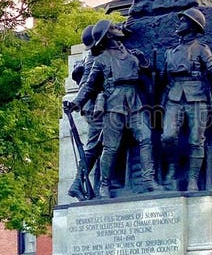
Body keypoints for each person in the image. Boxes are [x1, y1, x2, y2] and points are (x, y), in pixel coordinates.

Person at [64, 19, 158, 197]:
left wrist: (145, 63)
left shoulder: (131, 54)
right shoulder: (99, 58)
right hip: (112, 103)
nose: (118, 29)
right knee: (109, 147)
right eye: (113, 28)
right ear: (108, 35)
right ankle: (104, 186)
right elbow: (89, 85)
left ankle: (149, 180)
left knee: (145, 138)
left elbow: (147, 72)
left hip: (134, 102)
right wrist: (76, 102)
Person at [161, 8, 212, 191]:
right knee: (168, 136)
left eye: (183, 21)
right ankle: (172, 169)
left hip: (196, 96)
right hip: (174, 96)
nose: (178, 24)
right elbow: (163, 76)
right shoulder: (170, 52)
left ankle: (192, 179)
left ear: (192, 26)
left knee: (195, 140)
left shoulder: (202, 49)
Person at [67, 25, 103, 200]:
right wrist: (76, 103)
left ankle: (92, 187)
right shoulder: (94, 59)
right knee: (95, 147)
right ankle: (77, 184)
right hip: (94, 107)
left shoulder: (96, 56)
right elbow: (88, 86)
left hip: (95, 106)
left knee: (97, 148)